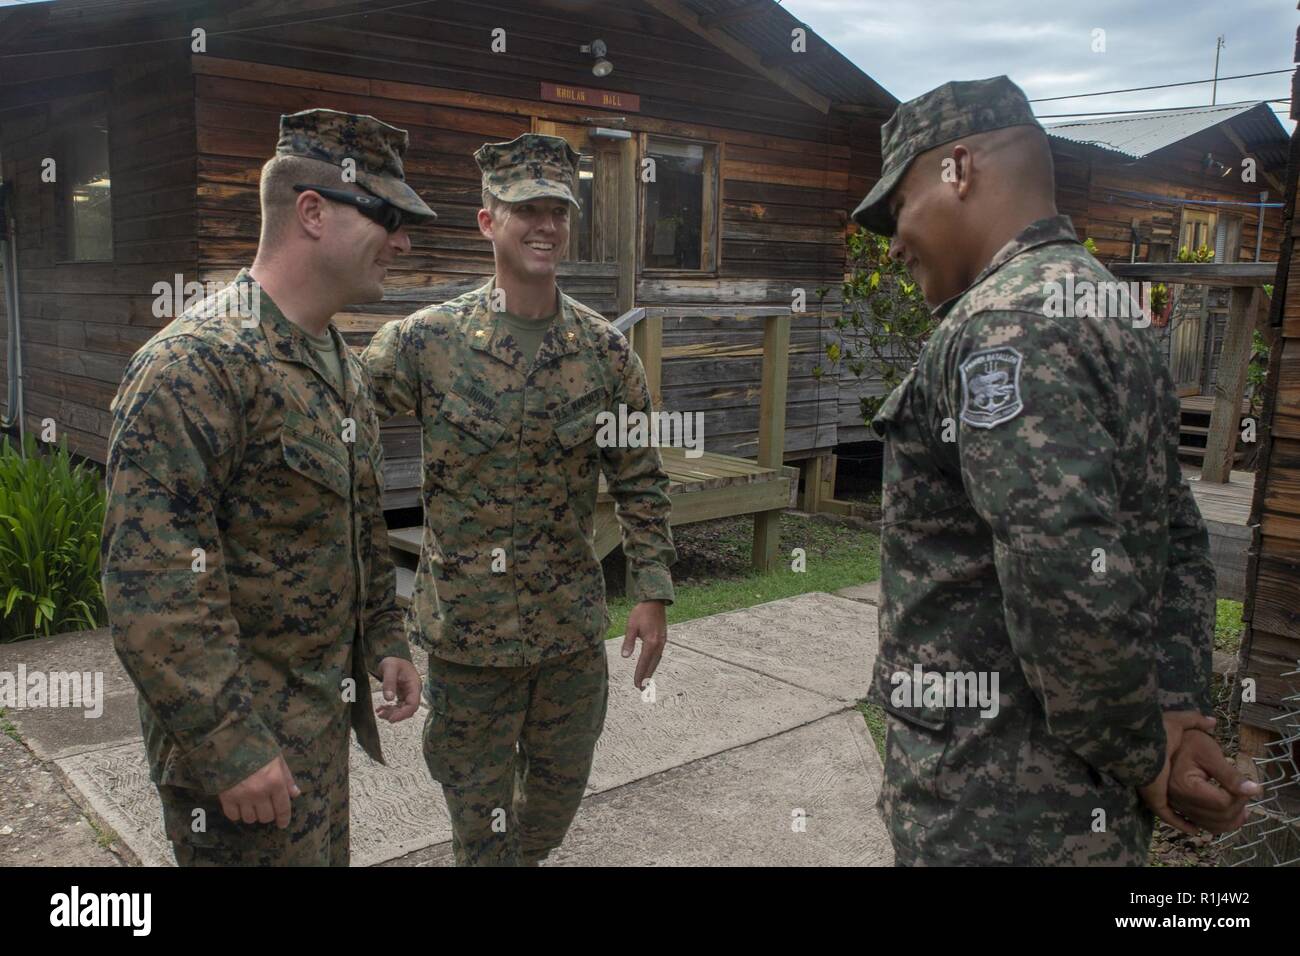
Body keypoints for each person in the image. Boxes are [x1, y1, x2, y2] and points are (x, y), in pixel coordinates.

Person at [851, 76, 1258, 865]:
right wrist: (1175, 712)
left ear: (957, 170)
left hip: (997, 813)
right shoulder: (1104, 307)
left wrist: (1146, 758)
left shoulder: (1007, 326)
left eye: (897, 208)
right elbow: (1175, 532)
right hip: (1070, 811)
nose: (893, 243)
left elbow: (1063, 570)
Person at [102, 108, 430, 866]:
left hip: (316, 733)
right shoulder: (194, 365)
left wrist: (384, 639)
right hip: (240, 762)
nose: (405, 240)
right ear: (312, 211)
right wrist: (228, 745)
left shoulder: (339, 365)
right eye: (387, 215)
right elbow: (150, 584)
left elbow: (356, 525)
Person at [362, 132, 676, 866]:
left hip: (566, 635)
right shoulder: (425, 343)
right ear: (487, 221)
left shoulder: (604, 354)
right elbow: (333, 413)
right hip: (467, 641)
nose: (545, 225)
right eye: (525, 208)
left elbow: (639, 478)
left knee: (555, 805)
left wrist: (653, 588)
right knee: (480, 824)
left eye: (558, 211)